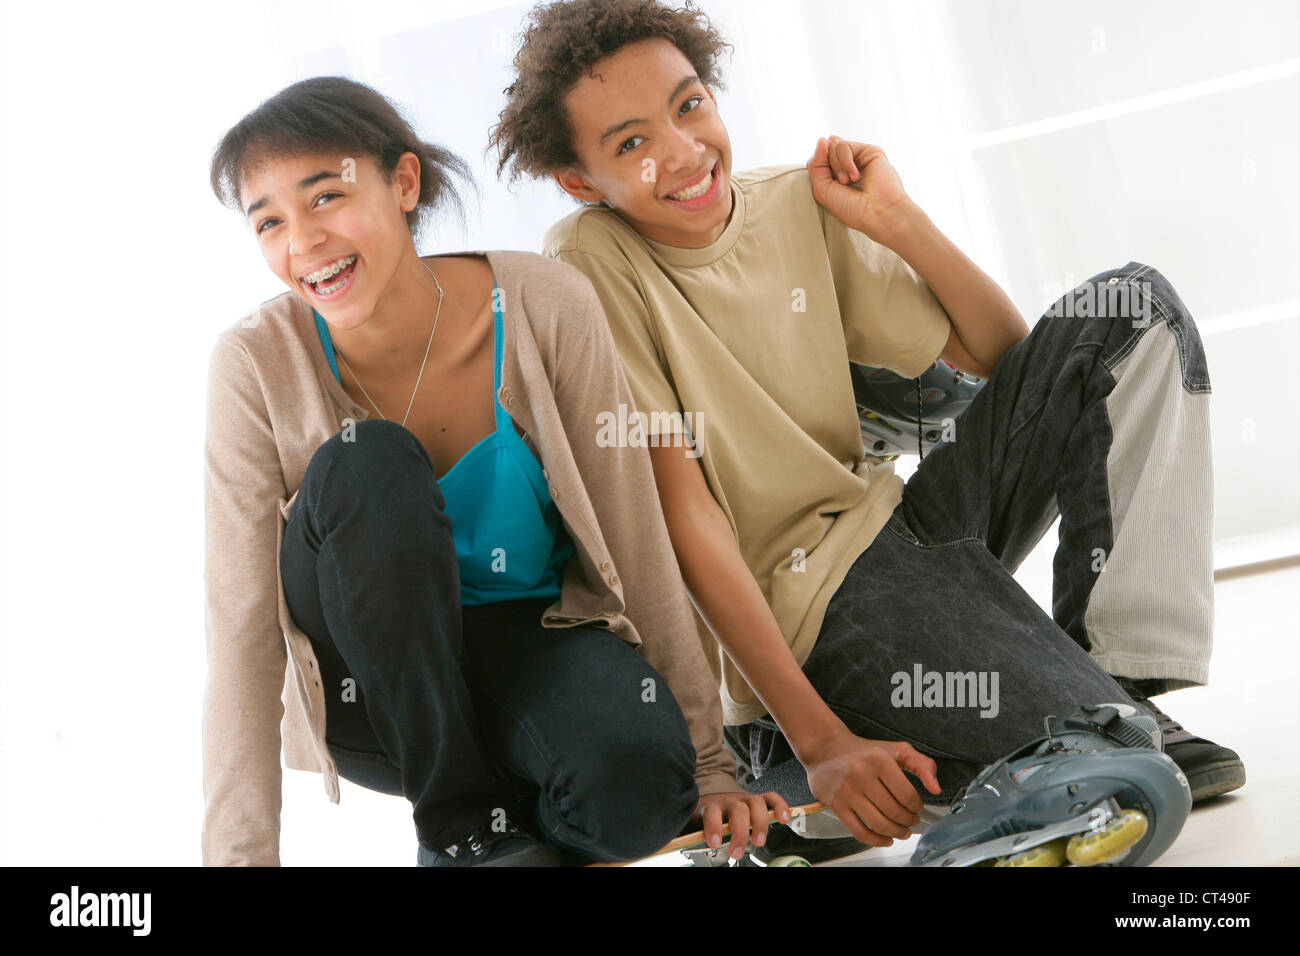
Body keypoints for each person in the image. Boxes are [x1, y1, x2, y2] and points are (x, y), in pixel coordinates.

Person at [488, 0, 1245, 849]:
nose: (681, 151)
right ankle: (817, 761)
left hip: (903, 531)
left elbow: (1009, 362)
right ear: (581, 180)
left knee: (1132, 310)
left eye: (689, 104)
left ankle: (1117, 691)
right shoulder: (587, 264)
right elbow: (683, 516)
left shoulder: (792, 206)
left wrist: (899, 222)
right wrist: (822, 743)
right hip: (804, 611)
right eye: (631, 144)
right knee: (1113, 764)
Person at [201, 75, 788, 867]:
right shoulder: (255, 361)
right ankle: (461, 827)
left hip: (533, 642)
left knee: (642, 792)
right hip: (374, 695)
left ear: (403, 182)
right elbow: (240, 622)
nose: (301, 242)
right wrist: (239, 859)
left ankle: (514, 824)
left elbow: (634, 527)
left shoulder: (542, 300)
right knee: (365, 460)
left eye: (325, 198)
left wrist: (709, 760)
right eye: (268, 221)